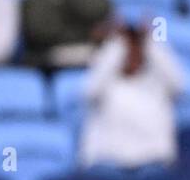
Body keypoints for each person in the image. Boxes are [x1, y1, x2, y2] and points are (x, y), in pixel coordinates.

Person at [79, 21, 184, 169]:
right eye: (127, 52)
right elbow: (89, 92)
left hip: (153, 162)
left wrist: (151, 41)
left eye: (136, 51)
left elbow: (178, 84)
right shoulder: (106, 85)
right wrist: (116, 45)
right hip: (108, 163)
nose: (131, 56)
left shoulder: (157, 83)